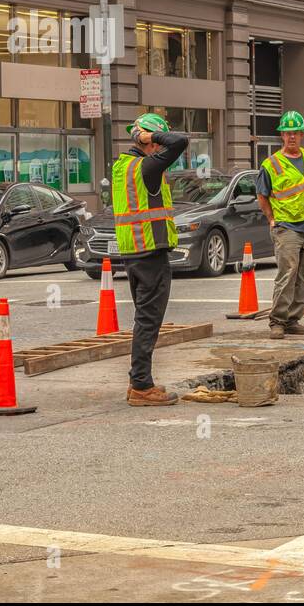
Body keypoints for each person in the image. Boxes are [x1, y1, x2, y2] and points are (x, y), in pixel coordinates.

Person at [112, 113, 188, 406]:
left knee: (143, 319)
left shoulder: (123, 166)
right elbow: (180, 141)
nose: (160, 148)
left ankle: (137, 383)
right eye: (157, 141)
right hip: (151, 252)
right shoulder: (148, 166)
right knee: (148, 320)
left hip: (132, 252)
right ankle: (142, 386)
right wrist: (148, 136)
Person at [256, 110, 304, 338]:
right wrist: (271, 219)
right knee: (288, 273)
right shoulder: (271, 164)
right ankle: (277, 321)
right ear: (282, 135)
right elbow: (262, 195)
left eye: (295, 133)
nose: (291, 137)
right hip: (287, 227)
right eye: (287, 133)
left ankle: (293, 320)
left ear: (301, 135)